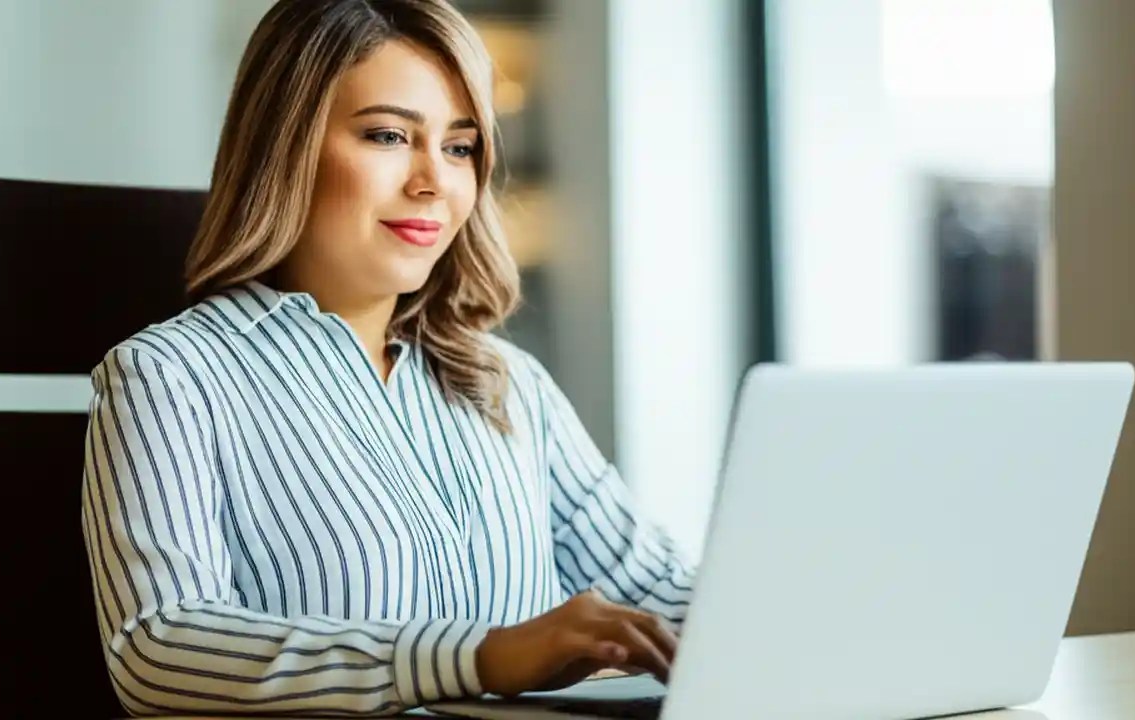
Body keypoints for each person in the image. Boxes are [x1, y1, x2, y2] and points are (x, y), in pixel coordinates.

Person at [81, 0, 694, 715]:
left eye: (460, 147)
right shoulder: (169, 379)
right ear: (286, 146)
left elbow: (659, 591)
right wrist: (482, 655)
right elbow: (160, 651)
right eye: (388, 135)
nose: (434, 179)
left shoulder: (505, 383)